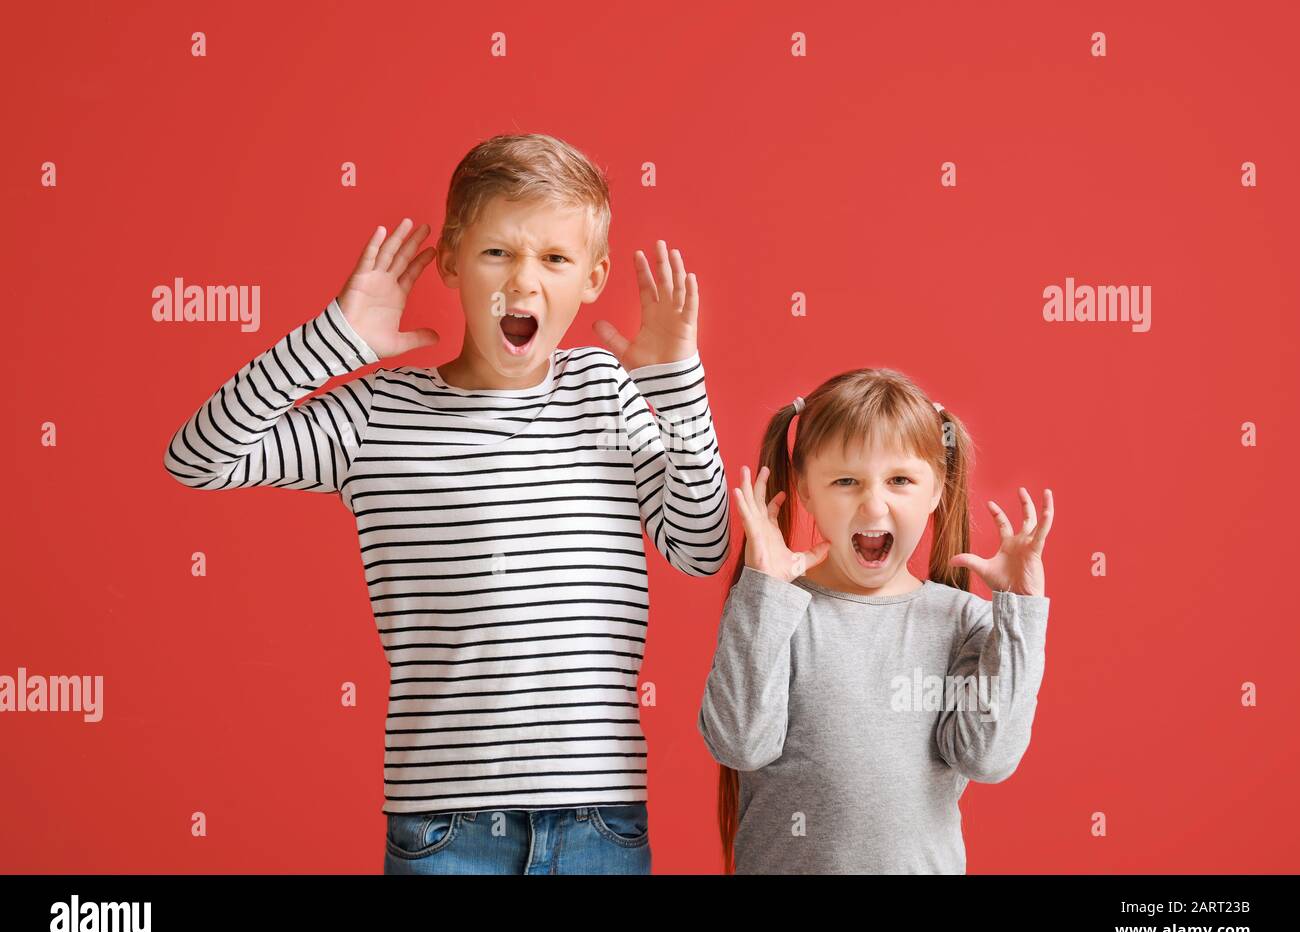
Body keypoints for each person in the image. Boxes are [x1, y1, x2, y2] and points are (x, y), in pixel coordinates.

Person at [163, 133, 730, 874]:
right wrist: (333, 341)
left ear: (592, 279)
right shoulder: (378, 415)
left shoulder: (604, 391)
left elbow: (702, 545)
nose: (524, 281)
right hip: (442, 828)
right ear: (453, 261)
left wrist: (677, 384)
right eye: (499, 252)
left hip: (600, 817)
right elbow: (200, 456)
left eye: (554, 258)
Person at [698, 369, 1052, 873]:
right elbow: (738, 742)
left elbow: (988, 759)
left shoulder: (963, 624)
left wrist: (1019, 613)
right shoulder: (777, 611)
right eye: (845, 481)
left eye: (900, 481)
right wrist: (764, 593)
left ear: (936, 491)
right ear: (805, 490)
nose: (873, 503)